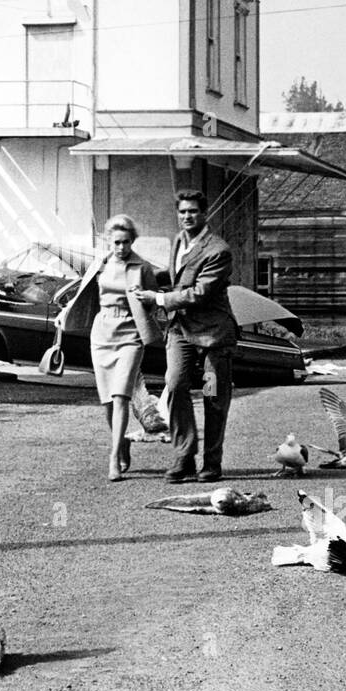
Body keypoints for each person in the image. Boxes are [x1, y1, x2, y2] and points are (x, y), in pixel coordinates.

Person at [133, 189, 237, 484]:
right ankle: (184, 456)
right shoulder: (178, 240)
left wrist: (158, 299)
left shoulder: (218, 250)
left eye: (193, 211)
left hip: (213, 334)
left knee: (212, 395)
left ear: (204, 213)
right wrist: (140, 275)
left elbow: (200, 292)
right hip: (180, 328)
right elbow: (177, 277)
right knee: (176, 385)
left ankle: (212, 463)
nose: (187, 216)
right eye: (182, 212)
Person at [58, 215, 161, 481]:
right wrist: (66, 313)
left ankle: (113, 457)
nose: (121, 247)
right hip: (102, 334)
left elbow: (153, 302)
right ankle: (122, 441)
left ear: (132, 241)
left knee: (120, 396)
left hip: (131, 335)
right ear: (108, 241)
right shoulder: (100, 263)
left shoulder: (142, 267)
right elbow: (84, 293)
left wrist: (143, 300)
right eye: (116, 242)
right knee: (107, 402)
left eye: (126, 242)